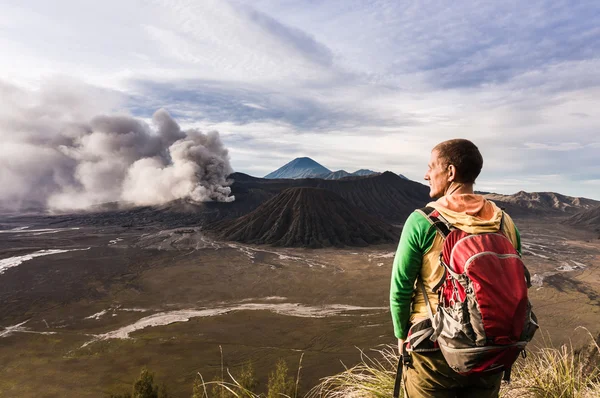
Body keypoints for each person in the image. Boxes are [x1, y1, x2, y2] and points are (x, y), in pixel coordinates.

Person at [389, 139, 522, 397]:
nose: (426, 175)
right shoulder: (505, 221)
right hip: (490, 346)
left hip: (432, 348)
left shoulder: (422, 221)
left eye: (431, 167)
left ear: (450, 173)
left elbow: (401, 289)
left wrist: (401, 335)